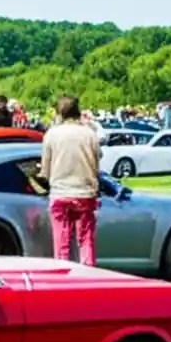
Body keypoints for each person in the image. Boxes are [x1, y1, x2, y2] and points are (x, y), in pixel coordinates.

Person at [38, 96, 101, 266]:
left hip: (60, 193)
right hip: (85, 192)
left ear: (59, 113)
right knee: (86, 240)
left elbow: (45, 170)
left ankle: (62, 276)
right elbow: (96, 164)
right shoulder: (89, 134)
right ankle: (88, 273)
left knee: (61, 242)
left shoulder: (51, 134)